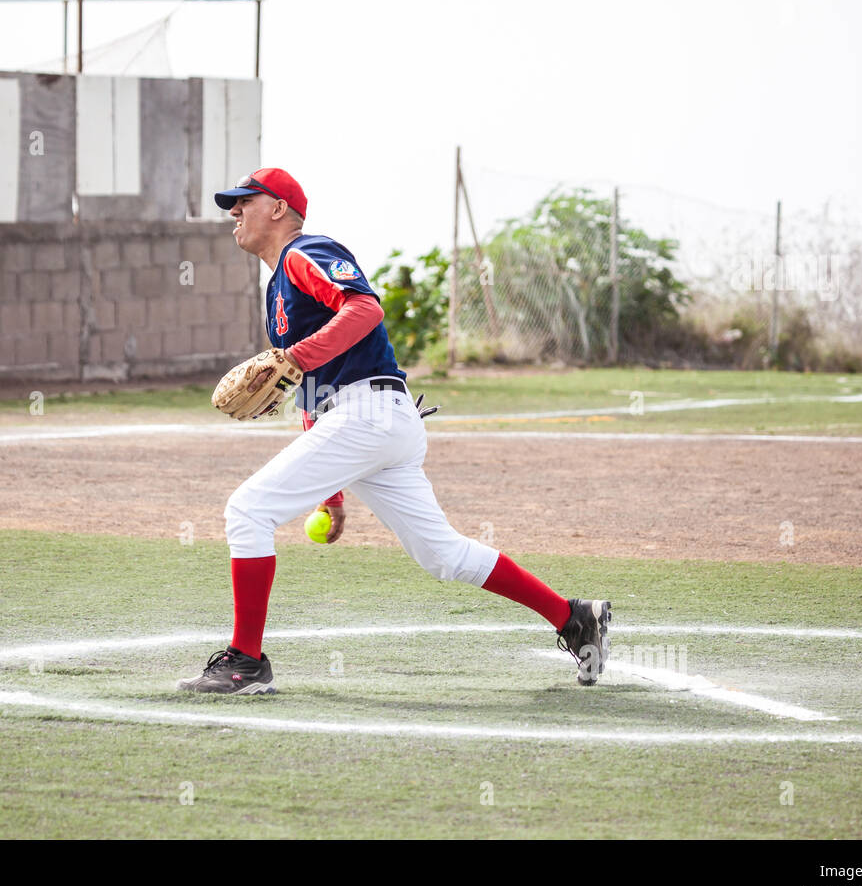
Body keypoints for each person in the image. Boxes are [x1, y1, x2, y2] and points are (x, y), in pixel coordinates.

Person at [177, 168, 610, 694]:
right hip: (373, 422)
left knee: (247, 510)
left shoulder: (305, 252)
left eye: (245, 201)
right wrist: (332, 498)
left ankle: (245, 661)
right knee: (443, 555)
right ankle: (573, 617)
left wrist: (295, 355)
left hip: (369, 415)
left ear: (279, 209)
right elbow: (312, 390)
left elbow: (364, 309)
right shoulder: (277, 290)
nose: (234, 212)